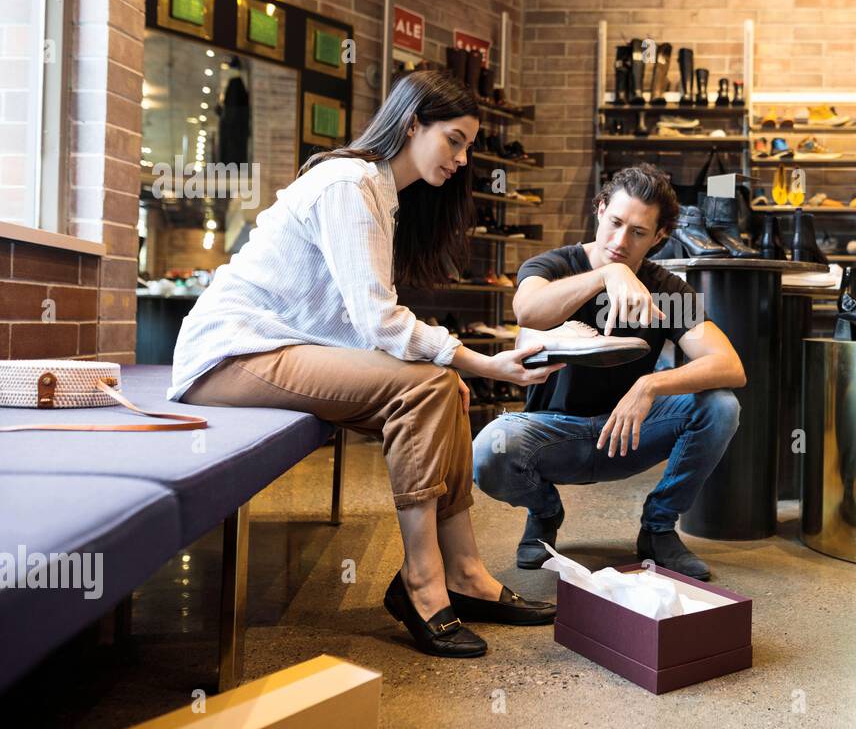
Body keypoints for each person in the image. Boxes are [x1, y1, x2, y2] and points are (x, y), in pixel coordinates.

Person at [170, 69, 563, 659]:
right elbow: (378, 322)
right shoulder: (347, 185)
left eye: (468, 147)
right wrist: (486, 364)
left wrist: (457, 368)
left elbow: (364, 323)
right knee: (435, 383)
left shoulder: (381, 195)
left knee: (443, 387)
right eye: (453, 140)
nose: (461, 159)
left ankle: (465, 573)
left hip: (280, 349)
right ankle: (423, 583)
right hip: (230, 355)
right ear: (412, 124)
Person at [472, 164, 746, 580]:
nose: (621, 241)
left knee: (721, 406)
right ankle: (543, 514)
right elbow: (528, 310)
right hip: (552, 436)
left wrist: (650, 384)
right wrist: (608, 274)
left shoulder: (667, 290)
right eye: (615, 222)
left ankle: (657, 528)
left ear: (659, 237)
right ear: (599, 210)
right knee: (490, 446)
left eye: (638, 232)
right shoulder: (553, 266)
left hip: (628, 433)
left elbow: (730, 366)